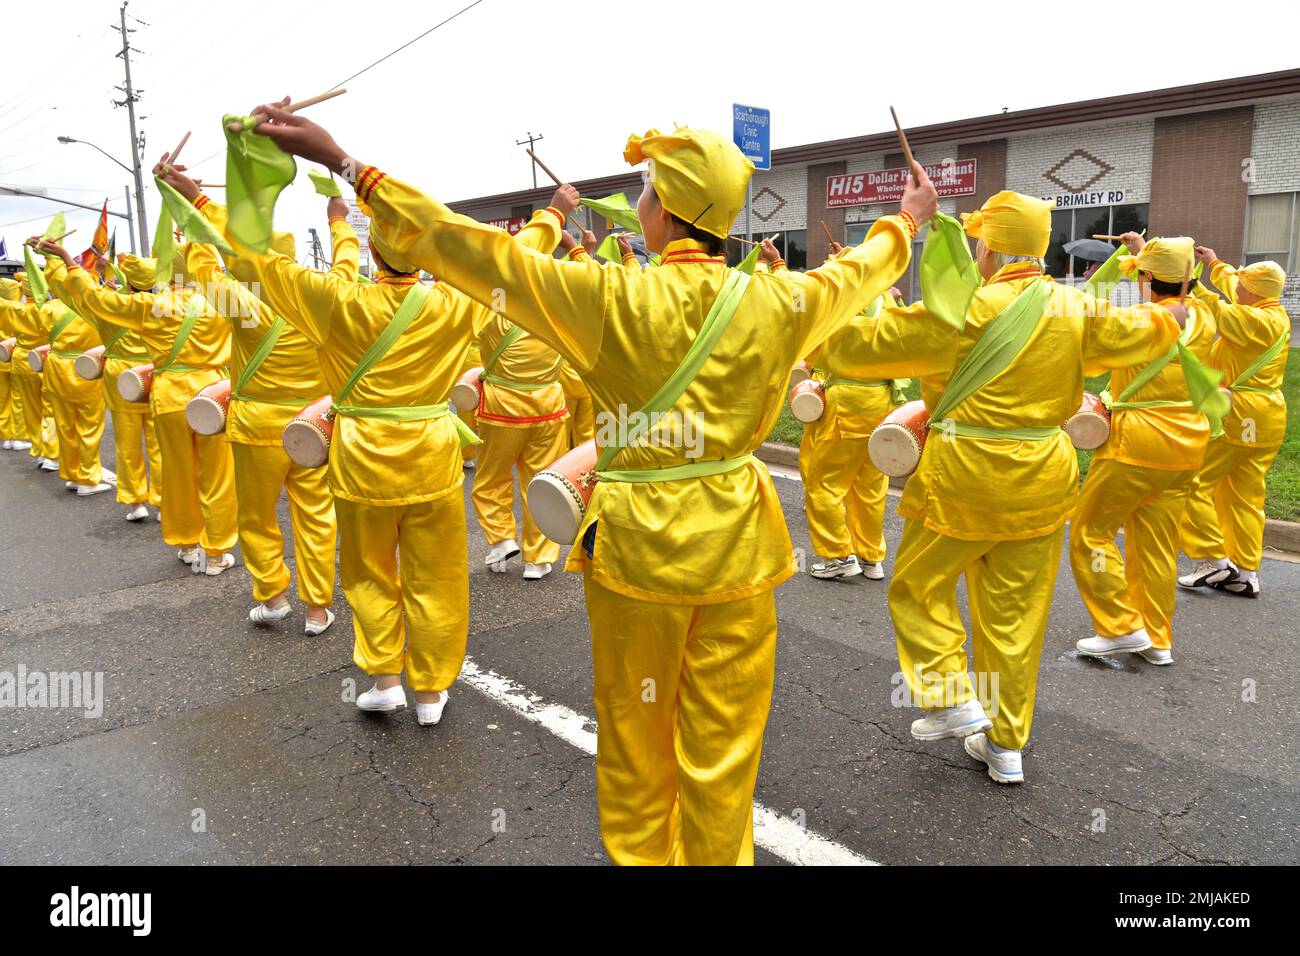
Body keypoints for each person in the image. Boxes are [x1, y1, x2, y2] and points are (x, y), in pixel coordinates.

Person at [248, 102, 938, 863]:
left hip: (638, 553)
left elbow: (471, 249)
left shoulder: (608, 298)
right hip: (740, 550)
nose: (638, 204)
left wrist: (349, 163)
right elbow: (865, 269)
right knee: (727, 749)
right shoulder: (784, 299)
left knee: (638, 741)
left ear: (666, 211)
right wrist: (904, 221)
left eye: (645, 192)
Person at [206, 151, 570, 727]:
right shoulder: (456, 302)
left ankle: (384, 681)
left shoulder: (336, 299)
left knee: (371, 572)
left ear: (372, 249)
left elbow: (249, 262)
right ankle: (431, 693)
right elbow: (513, 260)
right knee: (440, 576)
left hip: (360, 459)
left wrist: (202, 201)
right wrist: (552, 215)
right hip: (432, 454)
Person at [877, 191, 1188, 784]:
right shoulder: (1074, 309)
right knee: (1015, 617)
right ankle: (1006, 744)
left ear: (988, 245)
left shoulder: (959, 307)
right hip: (1044, 474)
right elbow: (1140, 329)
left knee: (918, 587)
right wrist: (1171, 310)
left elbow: (871, 346)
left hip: (965, 473)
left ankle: (947, 695)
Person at [168, 167, 353, 633]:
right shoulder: (326, 296)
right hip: (312, 425)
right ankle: (316, 609)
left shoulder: (241, 301)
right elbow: (347, 263)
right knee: (316, 516)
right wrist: (337, 219)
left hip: (254, 426)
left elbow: (203, 267)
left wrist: (191, 218)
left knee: (255, 515)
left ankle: (272, 597)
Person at [38, 239, 239, 572]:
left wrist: (66, 262)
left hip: (169, 395)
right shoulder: (222, 301)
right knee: (218, 476)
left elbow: (93, 298)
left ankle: (187, 545)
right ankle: (215, 553)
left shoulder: (151, 305)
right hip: (213, 396)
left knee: (177, 474)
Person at [1069, 236, 1216, 666]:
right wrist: (1146, 253)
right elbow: (1184, 284)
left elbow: (1086, 307)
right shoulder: (1205, 316)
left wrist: (1122, 261)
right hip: (1187, 448)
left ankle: (1119, 625)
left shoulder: (1139, 322)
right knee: (1156, 546)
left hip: (1136, 446)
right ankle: (1156, 638)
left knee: (1089, 532)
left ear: (1146, 276)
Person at [791, 238, 906, 582]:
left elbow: (812, 353)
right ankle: (871, 558)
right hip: (882, 403)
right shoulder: (886, 300)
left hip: (846, 403)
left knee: (824, 485)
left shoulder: (839, 305)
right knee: (870, 488)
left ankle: (838, 556)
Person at [1178, 252, 1290, 599]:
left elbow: (1216, 308)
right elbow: (1229, 287)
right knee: (1245, 497)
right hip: (1268, 414)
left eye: (1241, 285)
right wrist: (1213, 263)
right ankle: (1245, 572)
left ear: (1253, 291)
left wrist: (1190, 282)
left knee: (1191, 480)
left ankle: (1211, 558)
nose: (1235, 287)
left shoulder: (1255, 322)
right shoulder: (1271, 311)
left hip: (1240, 413)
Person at [470, 232, 572, 581]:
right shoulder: (558, 306)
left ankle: (500, 538)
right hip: (549, 407)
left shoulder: (489, 306)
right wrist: (577, 249)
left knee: (489, 480)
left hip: (502, 407)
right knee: (540, 481)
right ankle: (538, 559)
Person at [28, 270, 111, 496]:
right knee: (90, 427)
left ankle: (72, 474)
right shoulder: (94, 306)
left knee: (65, 426)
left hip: (56, 367)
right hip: (86, 367)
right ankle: (88, 478)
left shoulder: (49, 308)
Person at [1, 272, 60, 470]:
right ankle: (51, 454)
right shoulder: (52, 309)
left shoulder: (16, 309)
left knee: (30, 410)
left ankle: (40, 451)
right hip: (43, 361)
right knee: (50, 409)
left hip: (21, 360)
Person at [0, 278, 31, 452]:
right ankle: (18, 436)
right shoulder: (18, 310)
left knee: (2, 399)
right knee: (18, 399)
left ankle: (6, 436)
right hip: (15, 358)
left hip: (0, 360)